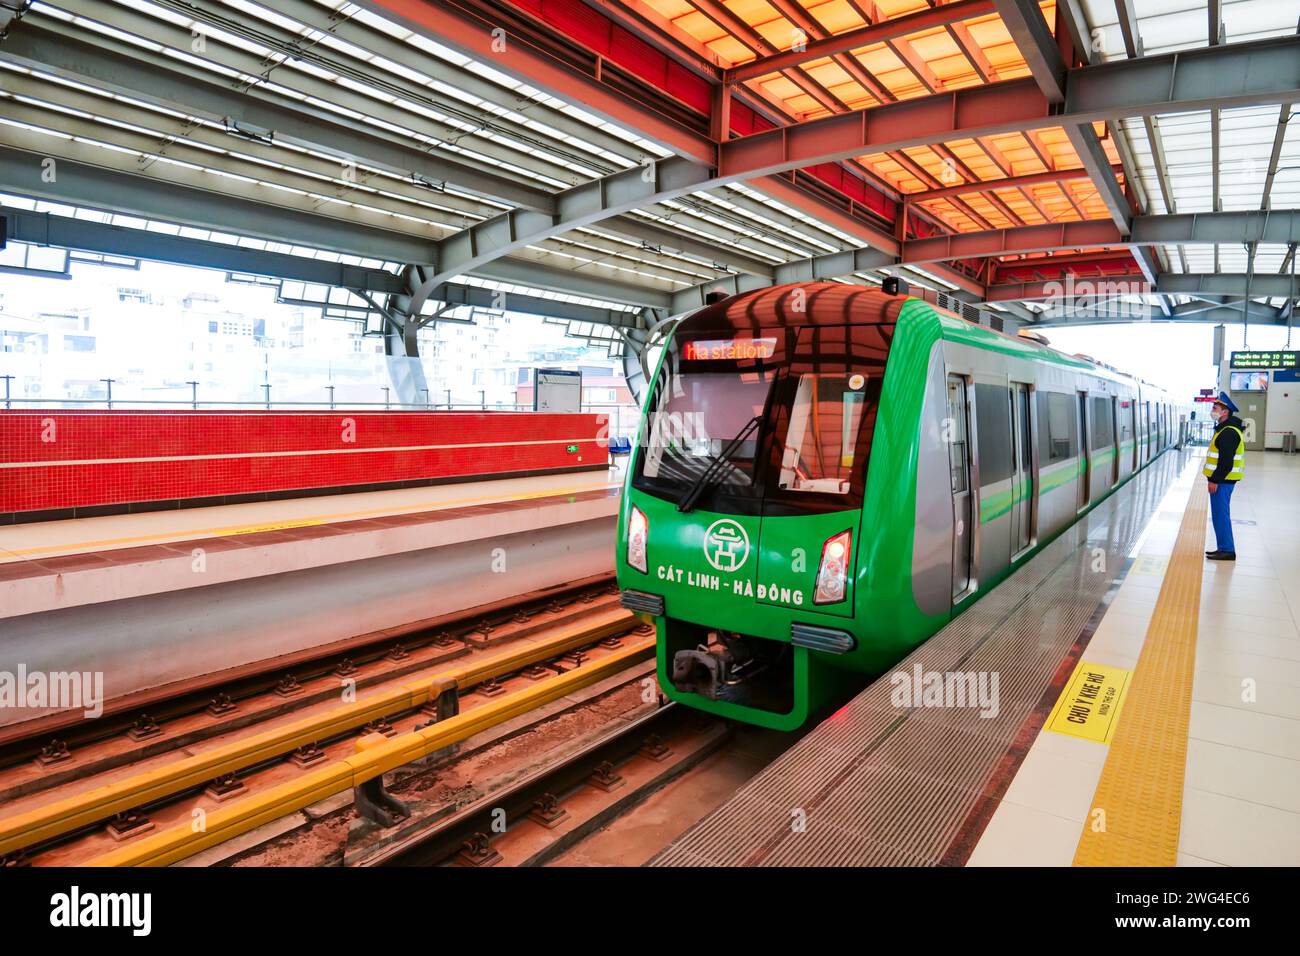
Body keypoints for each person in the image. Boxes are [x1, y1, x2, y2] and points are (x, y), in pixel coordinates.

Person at [1204, 391, 1245, 561]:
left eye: (1215, 407)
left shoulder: (1228, 432)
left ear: (1225, 411)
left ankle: (1227, 549)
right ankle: (1223, 547)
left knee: (1221, 515)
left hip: (1223, 481)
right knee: (1220, 514)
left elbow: (1226, 461)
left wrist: (1214, 480)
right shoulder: (1225, 429)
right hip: (1224, 481)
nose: (1212, 410)